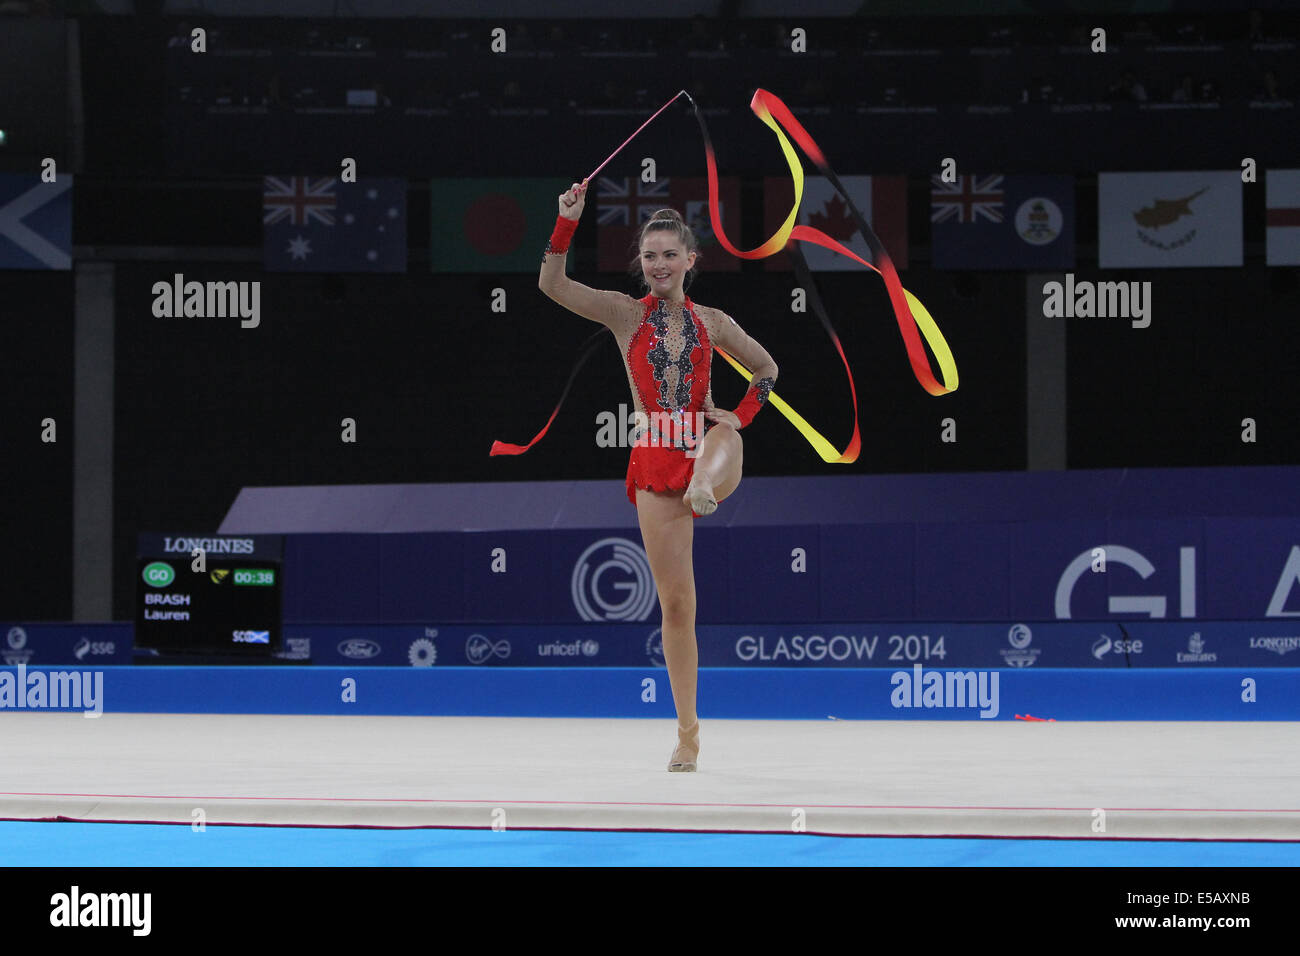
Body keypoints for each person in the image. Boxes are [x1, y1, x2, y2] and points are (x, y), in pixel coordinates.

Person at [538, 179, 778, 772]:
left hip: (708, 447)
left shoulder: (714, 321)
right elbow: (552, 284)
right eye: (650, 255)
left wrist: (741, 411)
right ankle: (688, 734)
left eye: (671, 254)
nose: (660, 263)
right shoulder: (624, 314)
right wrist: (567, 221)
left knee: (725, 433)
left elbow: (766, 367)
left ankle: (703, 480)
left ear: (690, 260)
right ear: (640, 264)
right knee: (678, 606)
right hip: (654, 455)